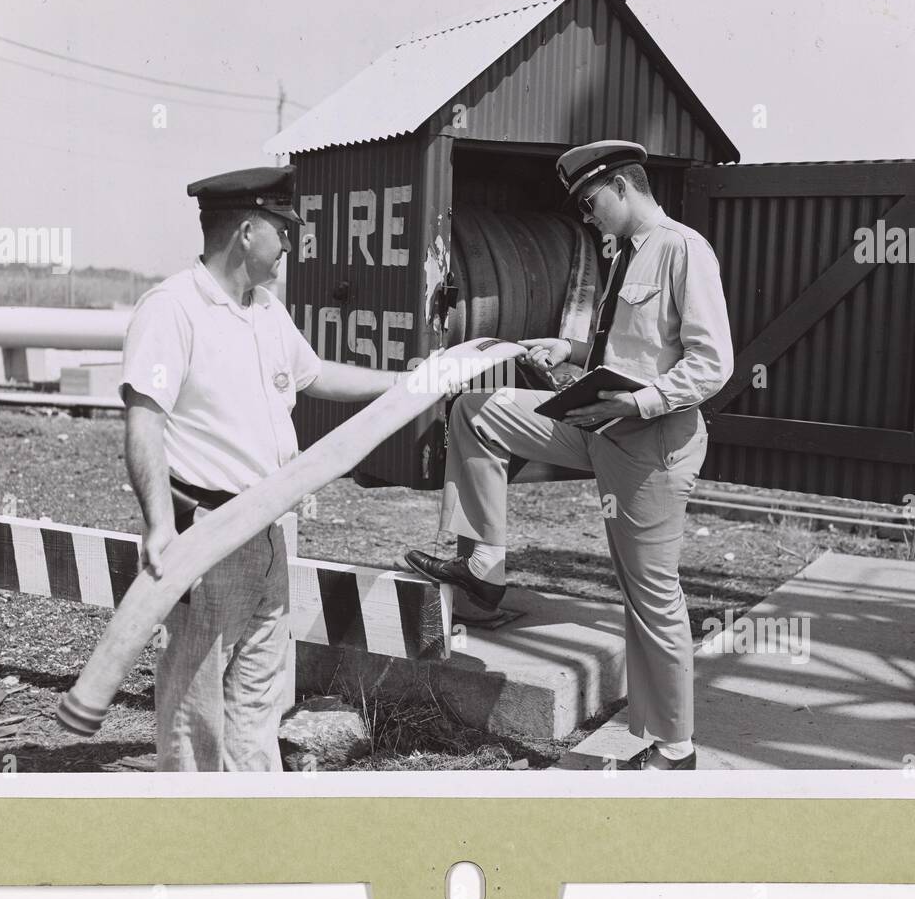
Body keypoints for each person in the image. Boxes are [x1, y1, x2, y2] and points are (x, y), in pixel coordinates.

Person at [404, 141, 735, 770]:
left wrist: (635, 406)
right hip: (599, 423)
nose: (587, 217)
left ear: (621, 187)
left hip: (651, 444)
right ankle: (486, 564)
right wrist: (572, 351)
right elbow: (635, 349)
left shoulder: (683, 249)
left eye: (590, 203)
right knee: (479, 410)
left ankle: (676, 750)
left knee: (651, 595)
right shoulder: (626, 253)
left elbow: (712, 364)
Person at [120, 165, 397, 771]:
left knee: (256, 703)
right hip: (210, 536)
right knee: (196, 712)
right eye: (283, 229)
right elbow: (144, 421)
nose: (291, 244)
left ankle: (254, 826)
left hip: (270, 533)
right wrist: (160, 525)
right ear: (247, 232)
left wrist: (405, 383)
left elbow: (316, 374)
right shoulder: (172, 309)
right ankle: (191, 836)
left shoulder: (265, 309)